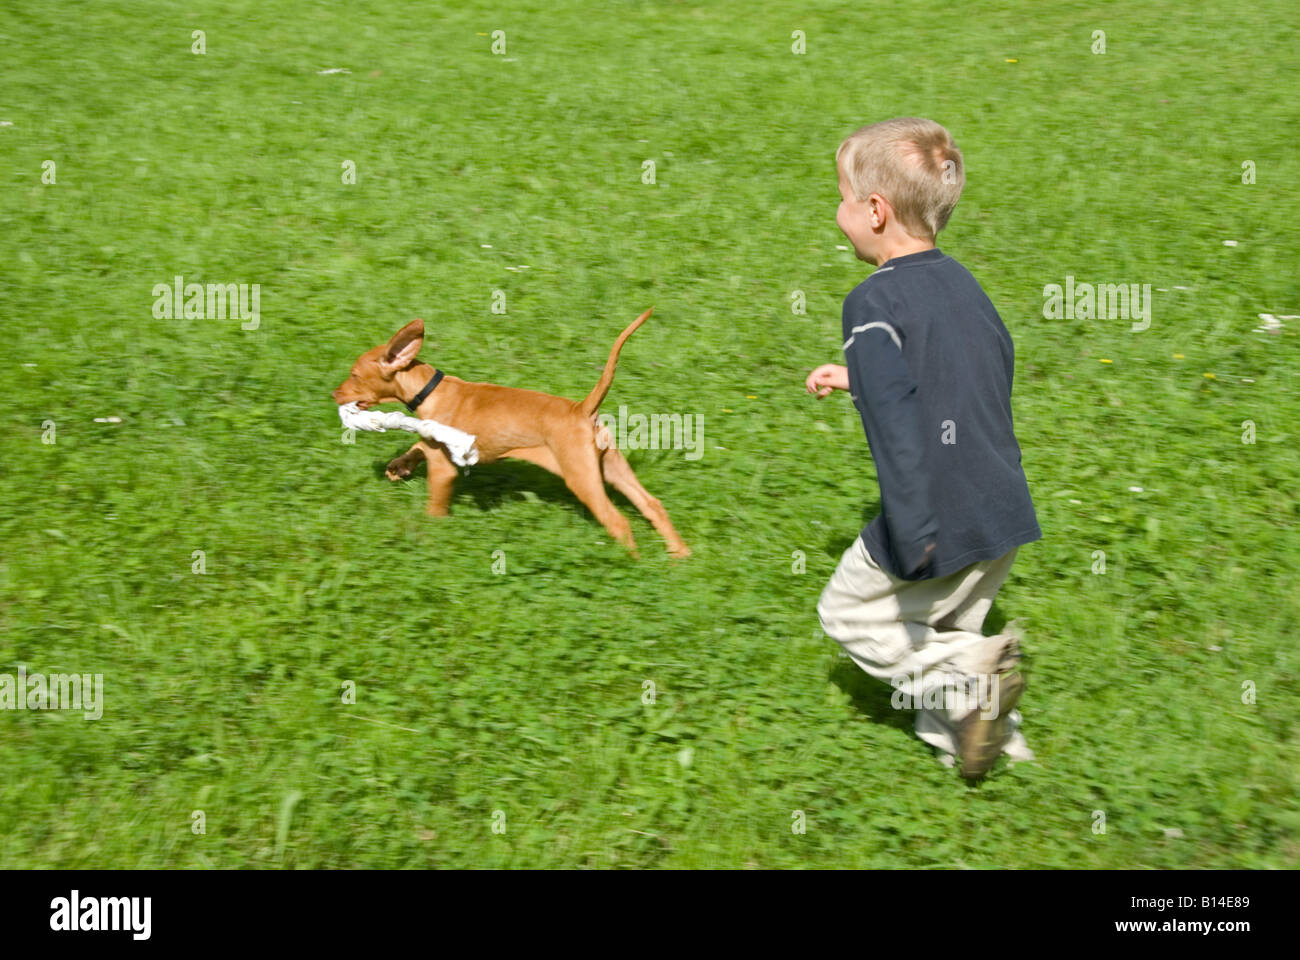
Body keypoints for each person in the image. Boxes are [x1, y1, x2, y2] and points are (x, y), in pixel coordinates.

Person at [806, 118, 1041, 779]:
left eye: (844, 198)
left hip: (933, 514)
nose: (838, 211)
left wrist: (911, 529)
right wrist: (859, 376)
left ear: (875, 212)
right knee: (944, 630)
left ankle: (973, 679)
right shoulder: (965, 285)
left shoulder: (869, 303)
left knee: (848, 613)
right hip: (1002, 506)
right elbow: (967, 373)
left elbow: (898, 428)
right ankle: (992, 755)